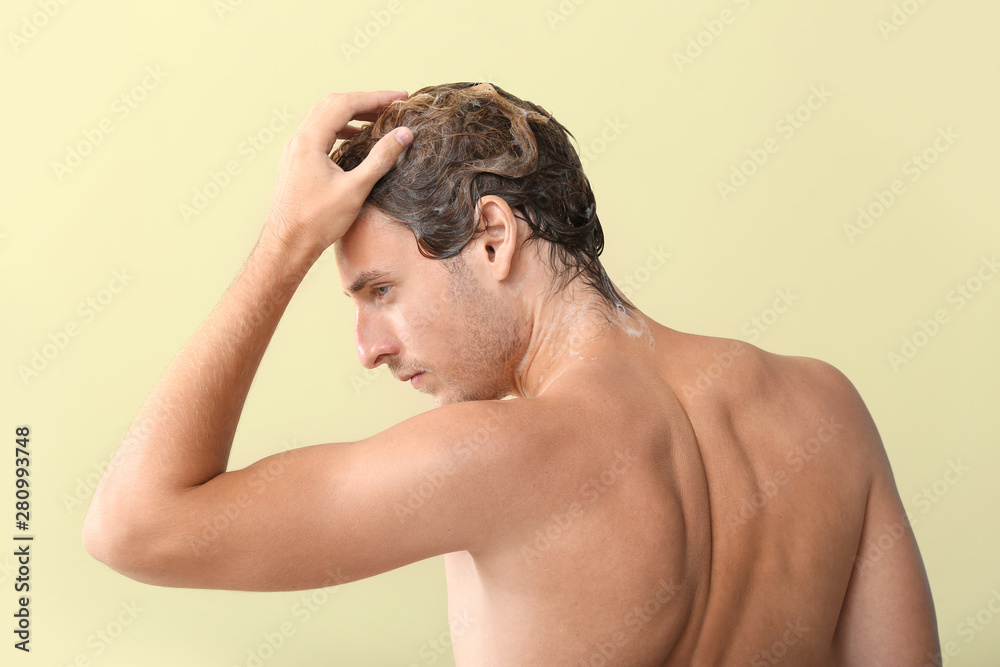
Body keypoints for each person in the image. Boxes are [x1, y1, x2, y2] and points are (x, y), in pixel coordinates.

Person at [83, 82, 941, 665]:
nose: (367, 347)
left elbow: (132, 525)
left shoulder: (488, 457)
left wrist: (285, 243)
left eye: (381, 289)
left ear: (494, 237)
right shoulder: (826, 407)